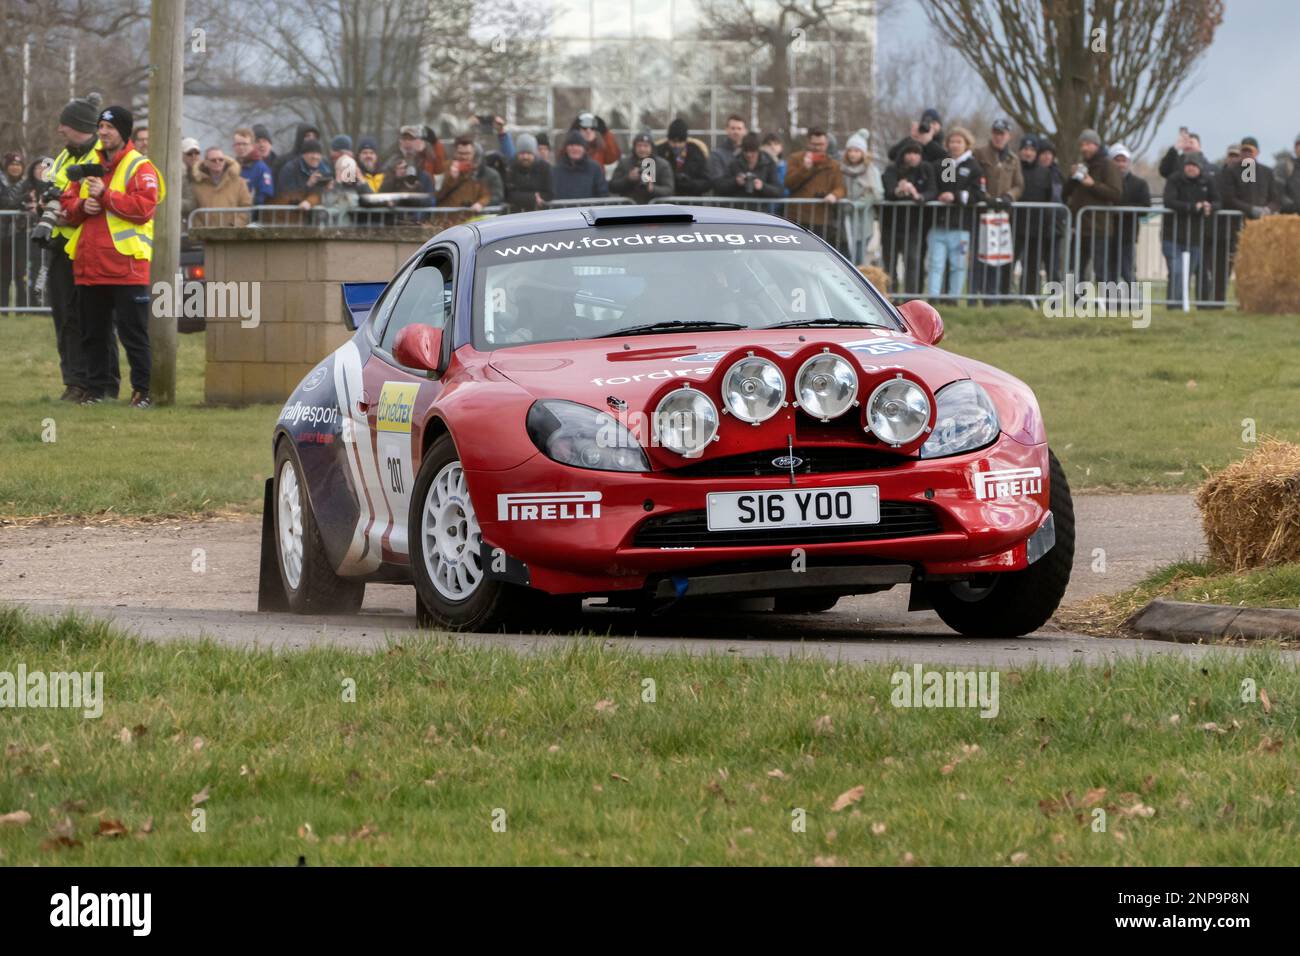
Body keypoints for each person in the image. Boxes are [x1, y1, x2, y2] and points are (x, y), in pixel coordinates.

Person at [60, 105, 162, 408]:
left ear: (123, 132)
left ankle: (143, 392)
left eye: (110, 128)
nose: (103, 133)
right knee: (93, 334)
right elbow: (65, 203)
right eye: (101, 128)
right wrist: (82, 208)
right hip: (90, 266)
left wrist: (104, 197)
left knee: (133, 335)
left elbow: (144, 207)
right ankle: (97, 391)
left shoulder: (139, 166)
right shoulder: (88, 162)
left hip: (126, 266)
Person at [45, 92, 104, 402]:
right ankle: (75, 382)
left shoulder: (99, 157)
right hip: (62, 246)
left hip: (87, 249)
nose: (60, 129)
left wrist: (68, 208)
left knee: (90, 319)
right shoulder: (65, 156)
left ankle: (93, 384)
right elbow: (56, 191)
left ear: (78, 125)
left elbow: (88, 203)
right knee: (65, 317)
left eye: (64, 124)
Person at [925, 127, 984, 300]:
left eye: (959, 142)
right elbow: (942, 188)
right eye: (952, 141)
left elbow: (978, 194)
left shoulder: (973, 166)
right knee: (935, 264)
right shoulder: (945, 164)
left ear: (966, 144)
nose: (955, 145)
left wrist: (956, 196)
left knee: (958, 266)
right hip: (940, 224)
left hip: (961, 227)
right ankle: (933, 300)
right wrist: (942, 195)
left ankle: (953, 299)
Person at [970, 118, 1024, 303]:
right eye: (996, 133)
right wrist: (984, 197)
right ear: (991, 134)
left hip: (1001, 217)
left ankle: (991, 299)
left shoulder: (1013, 158)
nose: (999, 137)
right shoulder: (979, 153)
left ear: (1008, 136)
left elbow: (1019, 184)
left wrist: (1009, 196)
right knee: (978, 258)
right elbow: (973, 176)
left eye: (1002, 134)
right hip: (982, 213)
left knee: (997, 258)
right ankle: (972, 297)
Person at [1062, 129, 1122, 282]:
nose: (1084, 148)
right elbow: (1065, 193)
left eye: (1088, 144)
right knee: (1075, 268)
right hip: (1080, 227)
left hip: (1100, 228)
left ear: (1096, 145)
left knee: (1101, 270)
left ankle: (1108, 303)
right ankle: (1075, 302)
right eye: (1082, 144)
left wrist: (1093, 184)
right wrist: (1072, 178)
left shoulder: (1108, 165)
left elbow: (1116, 194)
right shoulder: (1082, 165)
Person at [1161, 152, 1218, 307]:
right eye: (1188, 165)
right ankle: (1173, 306)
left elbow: (1217, 200)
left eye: (1194, 165)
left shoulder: (1208, 181)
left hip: (1194, 237)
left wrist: (1210, 207)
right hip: (1172, 235)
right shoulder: (1174, 180)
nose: (1191, 168)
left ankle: (1181, 304)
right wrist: (1193, 207)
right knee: (1177, 271)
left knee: (1187, 274)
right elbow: (1169, 201)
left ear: (1200, 167)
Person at [880, 139, 936, 295]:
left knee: (912, 262)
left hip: (914, 225)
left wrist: (919, 196)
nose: (913, 157)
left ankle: (911, 298)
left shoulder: (926, 169)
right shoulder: (892, 170)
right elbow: (889, 192)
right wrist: (899, 190)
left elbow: (932, 191)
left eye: (916, 153)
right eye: (909, 153)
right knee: (889, 264)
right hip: (890, 225)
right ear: (903, 155)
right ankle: (890, 298)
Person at [783, 128, 845, 239]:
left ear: (826, 144)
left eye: (821, 144)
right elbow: (788, 183)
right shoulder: (795, 159)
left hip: (822, 219)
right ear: (808, 143)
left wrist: (834, 195)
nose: (817, 148)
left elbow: (840, 187)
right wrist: (804, 169)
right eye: (814, 144)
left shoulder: (834, 165)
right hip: (797, 217)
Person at [1107, 143, 1151, 288]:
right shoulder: (1105, 181)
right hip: (1106, 233)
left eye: (1123, 160)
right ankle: (1110, 302)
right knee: (1109, 271)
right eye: (1116, 160)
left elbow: (1145, 207)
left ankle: (1134, 302)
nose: (1120, 164)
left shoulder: (1139, 184)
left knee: (1127, 270)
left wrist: (1123, 209)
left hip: (1127, 234)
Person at [838, 130, 883, 264]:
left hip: (863, 220)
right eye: (850, 150)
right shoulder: (842, 170)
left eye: (856, 151)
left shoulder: (871, 170)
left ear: (863, 153)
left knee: (859, 257)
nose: (852, 154)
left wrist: (859, 203)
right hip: (845, 219)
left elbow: (877, 194)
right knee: (844, 258)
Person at [435, 135, 492, 223]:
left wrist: (480, 204)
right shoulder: (444, 167)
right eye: (461, 153)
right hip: (445, 222)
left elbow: (486, 194)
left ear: (473, 154)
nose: (464, 157)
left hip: (468, 222)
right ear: (455, 153)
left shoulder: (477, 170)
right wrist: (451, 178)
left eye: (467, 154)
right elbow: (437, 194)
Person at [1, 151, 31, 310]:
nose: (15, 168)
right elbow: (6, 202)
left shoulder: (27, 184)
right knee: (4, 275)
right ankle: (3, 309)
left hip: (20, 234)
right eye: (12, 164)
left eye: (18, 165)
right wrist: (21, 200)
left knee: (21, 274)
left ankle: (22, 309)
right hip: (2, 235)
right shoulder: (1, 182)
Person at [192, 146, 252, 226]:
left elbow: (246, 207)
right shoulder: (197, 185)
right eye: (213, 160)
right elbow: (192, 211)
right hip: (204, 236)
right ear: (206, 163)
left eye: (221, 159)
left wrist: (234, 225)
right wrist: (200, 230)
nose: (218, 162)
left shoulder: (239, 182)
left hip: (233, 235)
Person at [711, 131, 779, 200]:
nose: (749, 154)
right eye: (746, 151)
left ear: (758, 150)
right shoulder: (734, 162)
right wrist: (735, 181)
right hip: (738, 208)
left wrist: (763, 186)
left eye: (752, 151)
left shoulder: (768, 163)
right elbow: (720, 187)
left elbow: (778, 191)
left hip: (760, 209)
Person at [610, 131, 673, 204]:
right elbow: (612, 186)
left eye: (646, 146)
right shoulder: (624, 163)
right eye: (639, 145)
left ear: (652, 147)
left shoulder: (662, 165)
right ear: (634, 147)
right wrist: (628, 179)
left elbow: (669, 189)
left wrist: (653, 188)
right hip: (630, 208)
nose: (642, 149)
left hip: (655, 210)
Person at [656, 118, 710, 196]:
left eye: (680, 142)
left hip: (691, 203)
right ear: (668, 140)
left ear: (685, 140)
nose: (677, 145)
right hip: (666, 203)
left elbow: (707, 182)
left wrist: (690, 184)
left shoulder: (697, 152)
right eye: (673, 142)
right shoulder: (660, 151)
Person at [274, 138, 329, 214]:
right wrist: (308, 185)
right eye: (312, 153)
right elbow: (286, 195)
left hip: (316, 218)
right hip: (291, 216)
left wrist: (328, 189)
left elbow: (322, 194)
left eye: (318, 154)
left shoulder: (324, 168)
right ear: (303, 154)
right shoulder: (290, 169)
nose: (315, 157)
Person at [551, 129, 609, 201]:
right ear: (566, 148)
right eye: (571, 145)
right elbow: (549, 193)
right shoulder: (556, 170)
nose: (574, 148)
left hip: (587, 211)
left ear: (584, 149)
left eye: (578, 145)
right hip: (563, 211)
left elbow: (603, 193)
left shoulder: (594, 168)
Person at [504, 133, 551, 211]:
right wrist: (532, 197)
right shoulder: (511, 168)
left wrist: (520, 196)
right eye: (522, 153)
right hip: (516, 215)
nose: (525, 157)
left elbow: (549, 193)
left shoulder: (544, 168)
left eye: (529, 153)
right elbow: (508, 194)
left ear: (534, 153)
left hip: (539, 214)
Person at [232, 127, 274, 205]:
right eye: (238, 144)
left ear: (252, 145)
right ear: (233, 146)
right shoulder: (230, 167)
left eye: (244, 144)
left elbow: (265, 194)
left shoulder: (261, 168)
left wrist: (248, 204)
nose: (241, 147)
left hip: (252, 214)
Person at [706, 114, 747, 182]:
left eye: (739, 128)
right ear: (727, 130)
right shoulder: (716, 155)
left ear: (745, 131)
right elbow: (717, 182)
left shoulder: (752, 153)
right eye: (733, 128)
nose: (736, 132)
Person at [179, 137, 201, 221]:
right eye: (189, 153)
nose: (193, 156)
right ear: (182, 155)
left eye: (197, 153)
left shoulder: (205, 172)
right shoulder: (177, 175)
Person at [1282, 134, 1300, 214]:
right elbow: (1277, 193)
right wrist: (1293, 206)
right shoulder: (1286, 165)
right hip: (1291, 216)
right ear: (1295, 148)